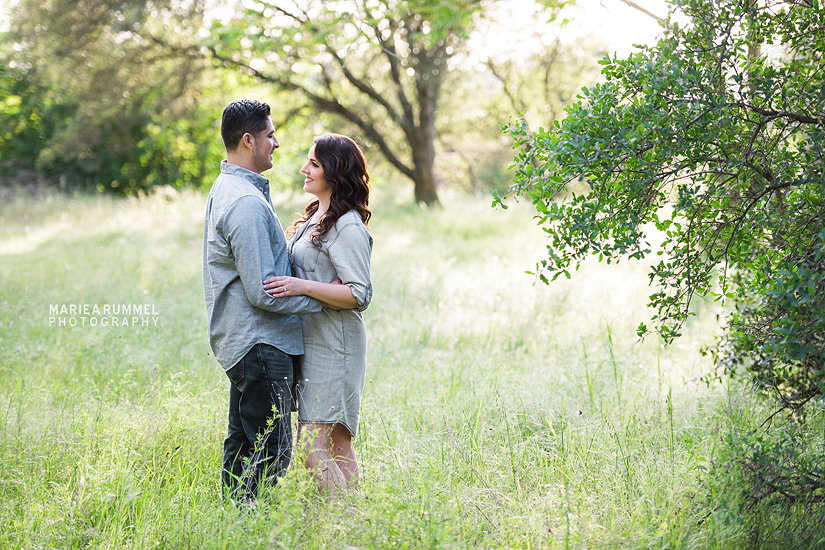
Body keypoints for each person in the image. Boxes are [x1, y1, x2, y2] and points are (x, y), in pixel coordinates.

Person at [202, 99, 322, 501]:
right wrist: (322, 300)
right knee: (272, 450)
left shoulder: (230, 188)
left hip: (244, 340)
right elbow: (263, 290)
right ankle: (254, 528)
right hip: (260, 342)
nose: (277, 143)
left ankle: (233, 526)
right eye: (271, 135)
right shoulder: (245, 202)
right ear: (249, 140)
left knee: (243, 442)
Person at [263, 133, 373, 491]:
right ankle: (357, 531)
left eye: (314, 163)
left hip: (336, 344)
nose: (303, 169)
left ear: (335, 171)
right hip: (314, 340)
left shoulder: (348, 225)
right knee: (337, 446)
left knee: (311, 448)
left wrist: (303, 286)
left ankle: (346, 525)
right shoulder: (317, 216)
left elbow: (359, 293)